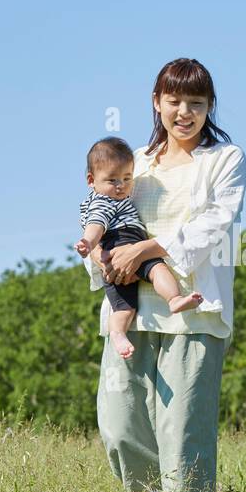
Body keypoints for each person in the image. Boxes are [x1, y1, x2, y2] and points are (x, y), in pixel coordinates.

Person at [88, 58, 246, 492]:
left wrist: (147, 248)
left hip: (194, 313)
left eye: (196, 103)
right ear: (156, 103)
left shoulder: (226, 158)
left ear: (209, 106)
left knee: (183, 430)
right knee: (120, 425)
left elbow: (216, 223)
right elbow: (101, 218)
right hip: (130, 312)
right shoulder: (133, 162)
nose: (184, 112)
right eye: (174, 101)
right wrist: (99, 257)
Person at [76, 136, 204, 359]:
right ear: (91, 180)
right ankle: (117, 332)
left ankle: (174, 299)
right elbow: (96, 224)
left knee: (156, 273)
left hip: (137, 247)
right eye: (112, 180)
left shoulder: (117, 197)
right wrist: (89, 243)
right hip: (118, 244)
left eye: (127, 178)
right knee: (126, 305)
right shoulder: (101, 201)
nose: (121, 186)